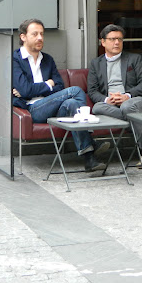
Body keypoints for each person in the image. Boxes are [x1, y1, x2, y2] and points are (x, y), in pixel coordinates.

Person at [12, 18, 106, 172]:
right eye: (35, 34)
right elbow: (25, 91)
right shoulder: (15, 59)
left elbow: (60, 86)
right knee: (75, 90)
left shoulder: (47, 59)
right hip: (33, 110)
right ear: (23, 37)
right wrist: (48, 85)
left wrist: (37, 88)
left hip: (54, 107)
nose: (40, 38)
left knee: (72, 104)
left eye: (42, 34)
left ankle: (90, 160)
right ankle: (90, 140)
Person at [88, 24, 142, 165]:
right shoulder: (96, 63)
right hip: (112, 104)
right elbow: (92, 91)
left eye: (120, 39)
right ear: (103, 42)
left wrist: (127, 95)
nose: (117, 42)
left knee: (127, 107)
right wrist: (107, 99)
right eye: (112, 39)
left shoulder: (134, 59)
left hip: (135, 100)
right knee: (96, 108)